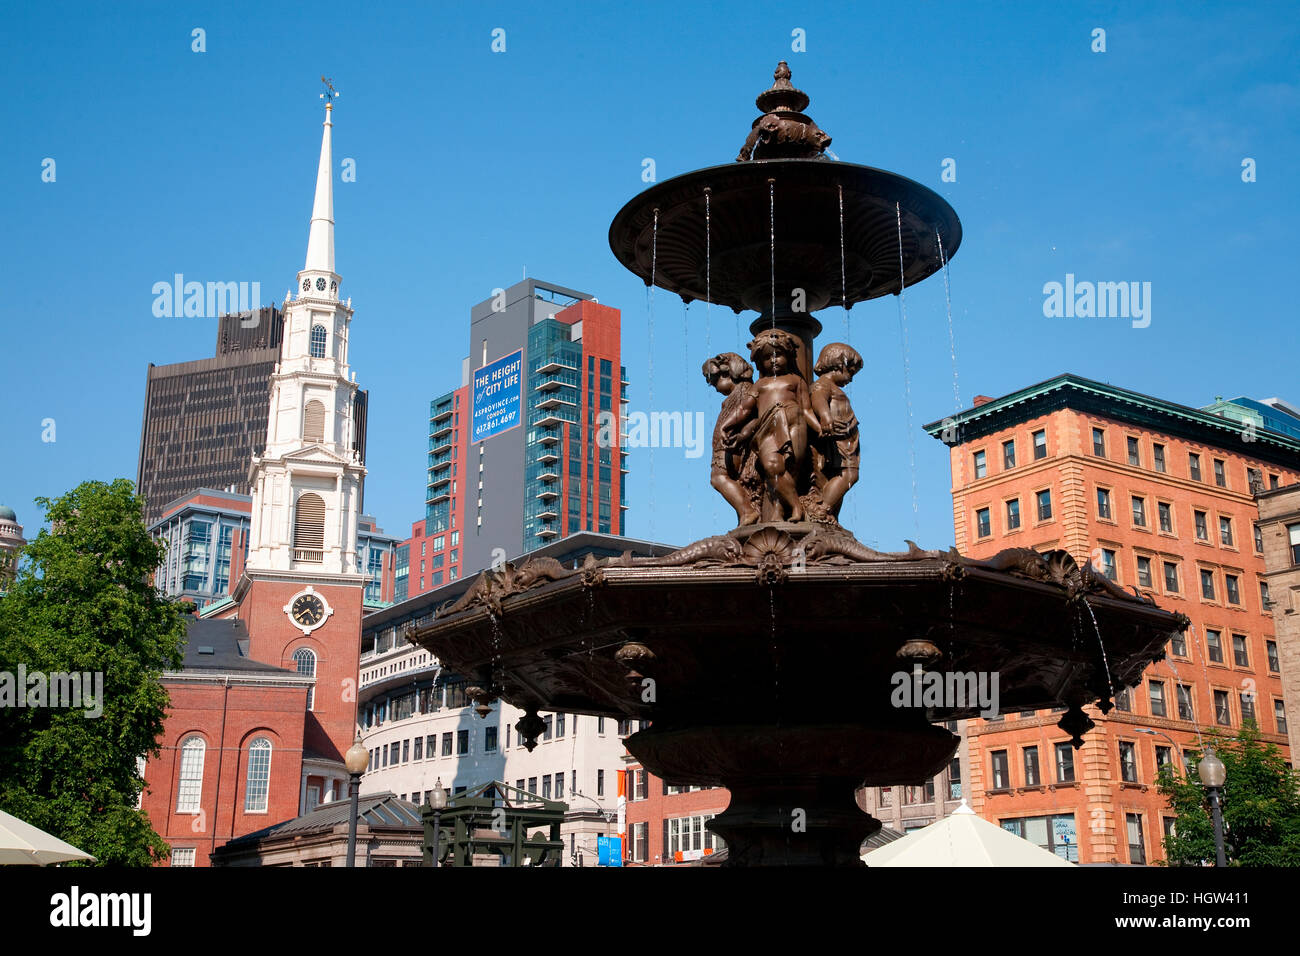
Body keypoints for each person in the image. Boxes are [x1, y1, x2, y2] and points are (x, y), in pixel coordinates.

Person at [718, 329, 819, 521]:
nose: (773, 361)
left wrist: (820, 429)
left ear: (788, 355)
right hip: (766, 427)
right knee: (772, 466)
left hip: (794, 422)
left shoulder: (796, 381)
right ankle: (797, 506)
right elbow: (745, 410)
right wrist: (727, 425)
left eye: (778, 355)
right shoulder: (760, 384)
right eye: (767, 358)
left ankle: (779, 512)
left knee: (791, 468)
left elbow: (806, 410)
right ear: (758, 361)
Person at [702, 352, 760, 525]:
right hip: (728, 445)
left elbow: (754, 417)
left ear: (728, 374)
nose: (714, 387)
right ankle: (746, 513)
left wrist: (739, 434)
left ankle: (747, 511)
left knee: (718, 478)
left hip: (731, 446)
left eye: (715, 382)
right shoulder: (740, 393)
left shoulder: (745, 392)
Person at [809, 342, 862, 516]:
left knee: (844, 474)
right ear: (839, 364)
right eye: (850, 372)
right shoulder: (823, 384)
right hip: (837, 437)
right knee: (849, 475)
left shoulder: (831, 386)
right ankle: (822, 509)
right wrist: (825, 417)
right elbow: (818, 399)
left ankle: (827, 510)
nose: (851, 379)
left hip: (845, 437)